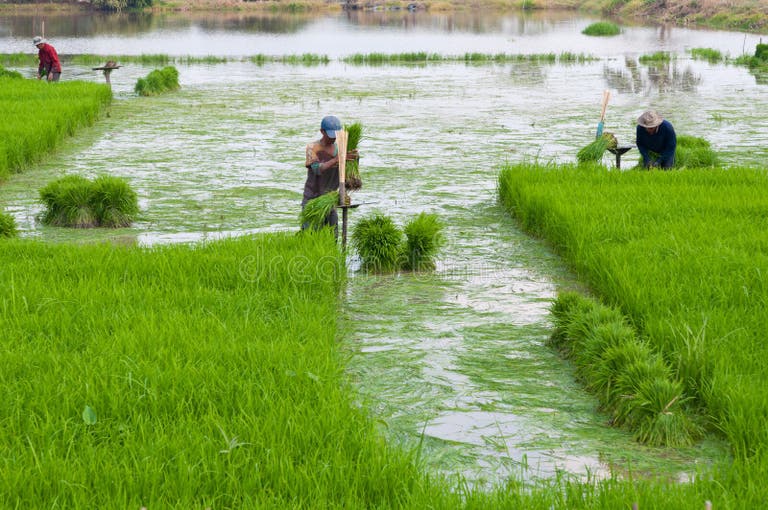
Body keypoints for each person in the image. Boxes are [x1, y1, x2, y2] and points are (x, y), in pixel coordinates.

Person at [302, 115, 358, 230]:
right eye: (331, 135)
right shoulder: (312, 148)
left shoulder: (340, 149)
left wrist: (355, 159)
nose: (334, 138)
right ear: (322, 131)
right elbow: (317, 169)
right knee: (309, 233)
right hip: (313, 198)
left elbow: (346, 176)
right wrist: (336, 159)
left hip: (330, 199)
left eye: (336, 135)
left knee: (332, 235)